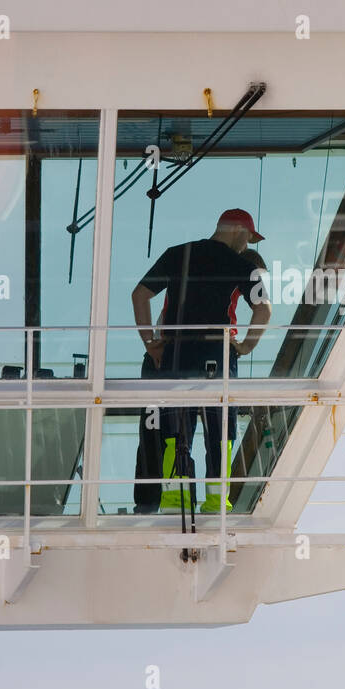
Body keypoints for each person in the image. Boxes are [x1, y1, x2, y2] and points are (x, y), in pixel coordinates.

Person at [131, 208, 271, 514]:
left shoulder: (177, 253)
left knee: (175, 430)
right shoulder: (241, 264)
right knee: (220, 430)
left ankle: (175, 498)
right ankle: (215, 501)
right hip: (218, 353)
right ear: (237, 230)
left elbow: (139, 295)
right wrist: (246, 345)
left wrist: (151, 344)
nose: (248, 245)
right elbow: (264, 310)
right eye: (248, 237)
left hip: (175, 353)